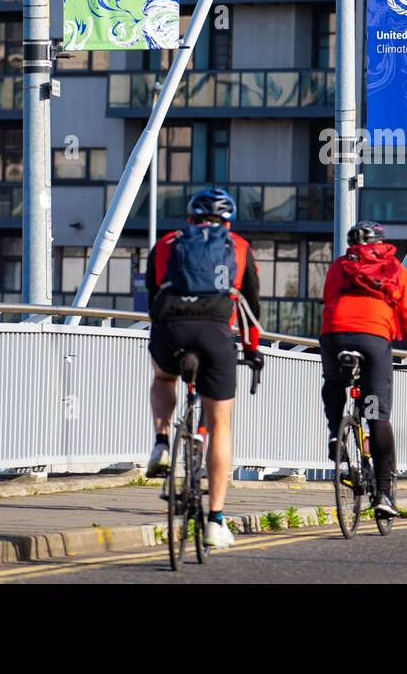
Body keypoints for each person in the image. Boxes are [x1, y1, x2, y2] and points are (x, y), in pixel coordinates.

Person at [145, 186, 263, 549]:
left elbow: (154, 295)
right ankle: (215, 521)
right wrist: (252, 349)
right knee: (220, 424)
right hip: (215, 332)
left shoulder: (166, 243)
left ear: (190, 217)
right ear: (228, 220)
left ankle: (162, 442)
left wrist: (167, 329)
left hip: (172, 328)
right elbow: (251, 306)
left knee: (164, 376)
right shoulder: (240, 247)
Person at [319, 220, 407, 518]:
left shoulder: (340, 265)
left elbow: (328, 300)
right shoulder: (395, 269)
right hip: (373, 340)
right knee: (377, 417)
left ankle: (335, 434)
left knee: (333, 381)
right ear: (382, 242)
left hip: (335, 334)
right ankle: (383, 495)